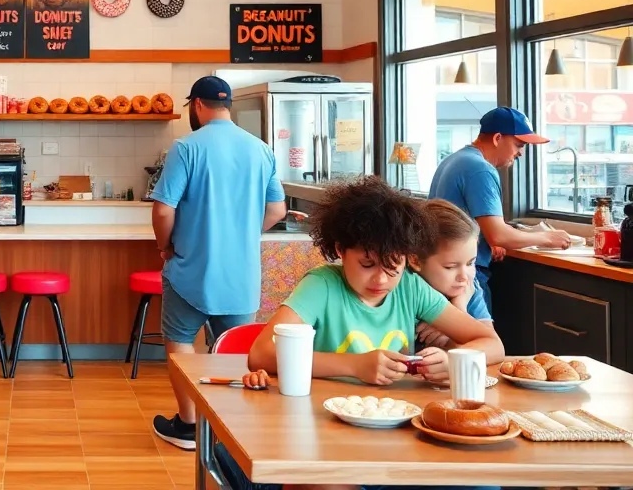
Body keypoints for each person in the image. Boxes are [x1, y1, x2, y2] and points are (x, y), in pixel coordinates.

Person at [221, 178, 503, 490]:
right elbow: (261, 354)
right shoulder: (322, 286)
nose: (381, 278)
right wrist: (355, 366)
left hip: (400, 438)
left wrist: (452, 360)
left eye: (393, 266)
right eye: (367, 264)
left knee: (480, 484)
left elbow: (491, 344)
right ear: (340, 250)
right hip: (325, 437)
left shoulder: (410, 287)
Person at [149, 76, 287, 450]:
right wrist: (242, 232)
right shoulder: (261, 149)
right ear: (227, 105)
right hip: (240, 277)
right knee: (236, 353)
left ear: (196, 105)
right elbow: (277, 208)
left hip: (190, 272)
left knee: (180, 342)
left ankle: (189, 426)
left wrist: (165, 247)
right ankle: (231, 431)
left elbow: (163, 210)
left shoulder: (186, 147)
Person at [428, 106, 572, 309]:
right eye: (518, 144)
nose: (521, 153)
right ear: (497, 138)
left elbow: (467, 219)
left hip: (441, 273)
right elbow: (500, 235)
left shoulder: (454, 160)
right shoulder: (480, 169)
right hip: (465, 277)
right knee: (481, 339)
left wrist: (490, 240)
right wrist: (549, 238)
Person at [410, 200, 494, 351]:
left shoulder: (468, 288)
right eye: (450, 267)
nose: (464, 276)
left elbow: (490, 345)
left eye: (470, 263)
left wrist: (458, 310)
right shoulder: (407, 288)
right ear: (415, 260)